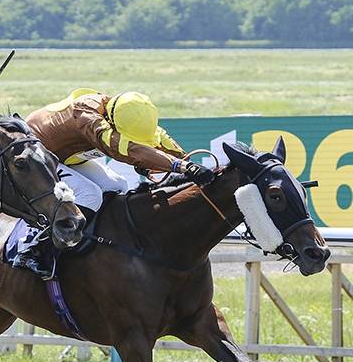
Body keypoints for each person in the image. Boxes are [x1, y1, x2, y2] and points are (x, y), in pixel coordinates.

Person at [15, 88, 215, 278]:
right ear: (112, 121)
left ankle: (94, 242)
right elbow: (122, 147)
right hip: (36, 155)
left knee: (118, 185)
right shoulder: (87, 113)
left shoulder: (127, 115)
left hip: (66, 157)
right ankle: (35, 247)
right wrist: (178, 166)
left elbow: (162, 143)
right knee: (90, 194)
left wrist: (188, 164)